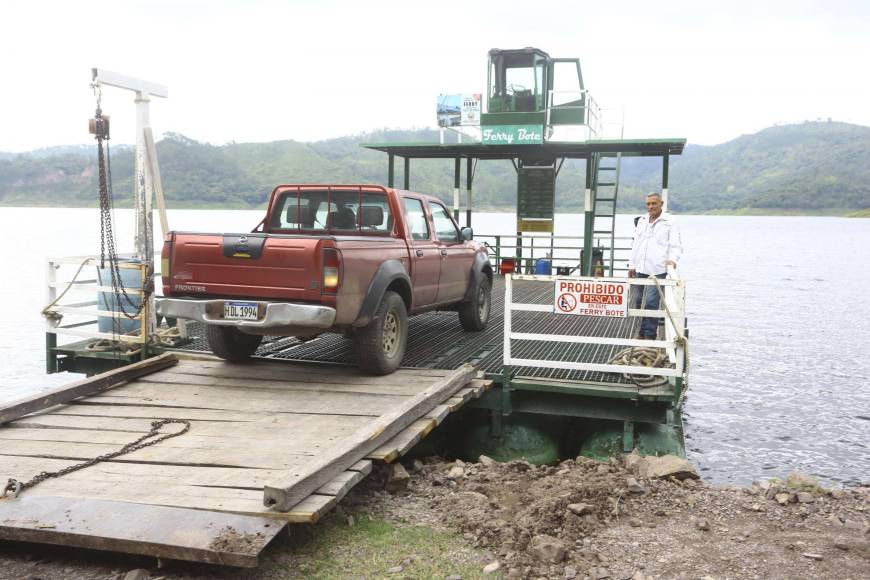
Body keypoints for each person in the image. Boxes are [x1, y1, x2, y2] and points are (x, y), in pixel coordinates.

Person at [627, 192, 683, 340]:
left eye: (654, 203)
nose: (651, 206)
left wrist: (672, 260)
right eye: (648, 204)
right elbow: (636, 244)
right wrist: (632, 264)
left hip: (658, 268)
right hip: (641, 267)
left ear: (661, 204)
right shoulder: (642, 220)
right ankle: (641, 332)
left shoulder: (670, 221)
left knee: (651, 302)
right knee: (638, 302)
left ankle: (649, 336)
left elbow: (676, 245)